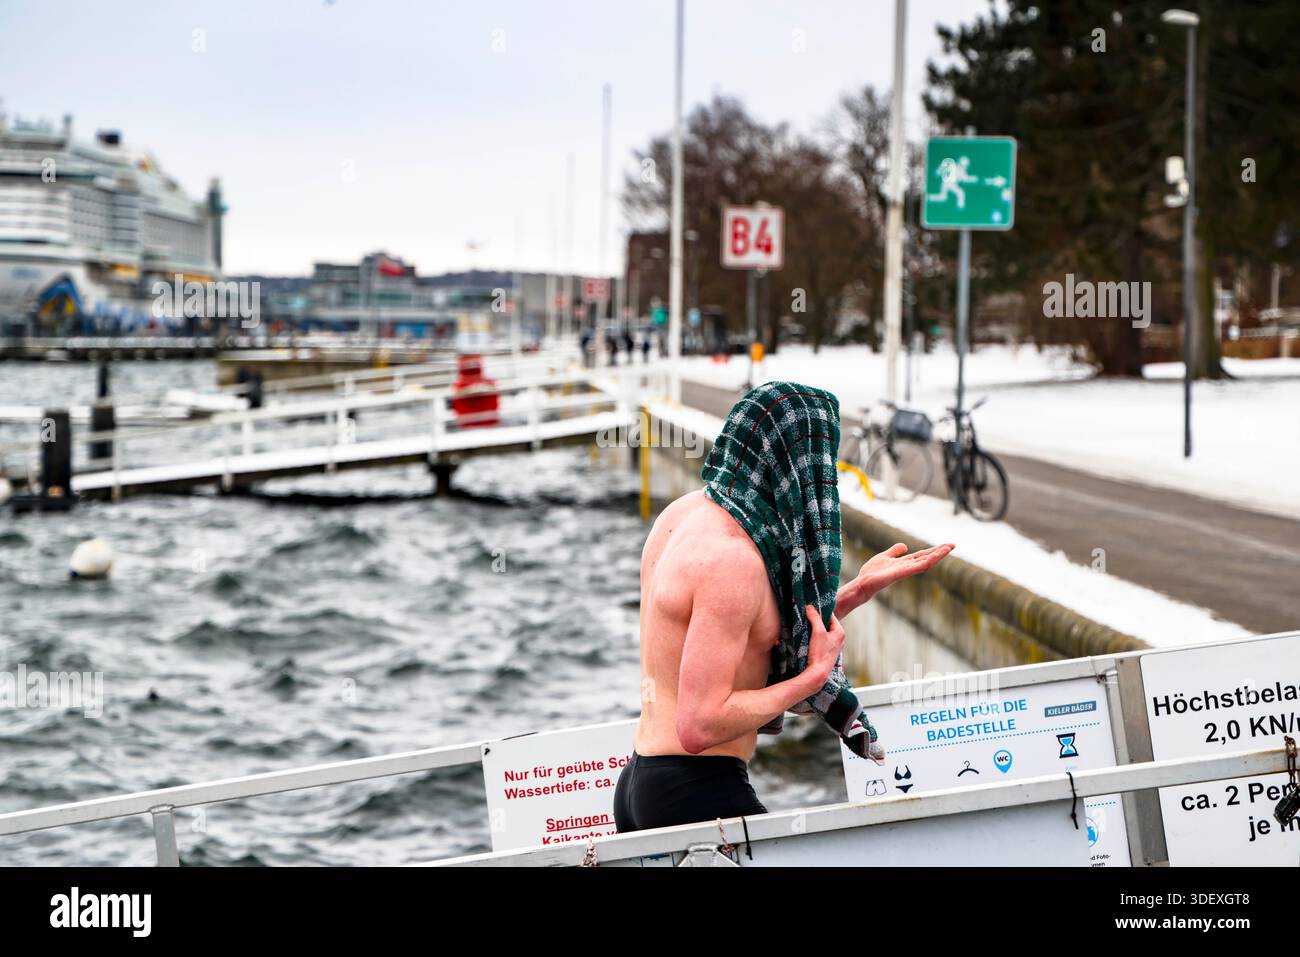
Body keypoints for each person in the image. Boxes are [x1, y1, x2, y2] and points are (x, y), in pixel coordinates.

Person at [613, 381, 954, 833]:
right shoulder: (733, 561)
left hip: (642, 783)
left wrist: (857, 590)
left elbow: (752, 634)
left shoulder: (684, 515)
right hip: (695, 790)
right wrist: (813, 679)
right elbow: (699, 725)